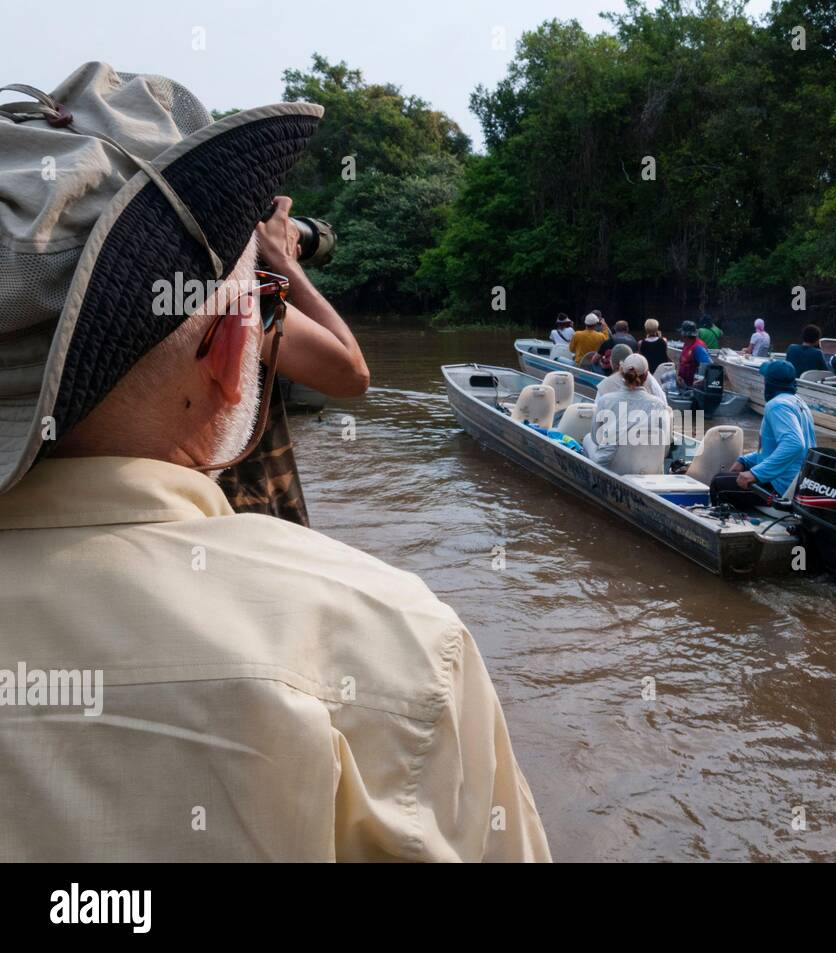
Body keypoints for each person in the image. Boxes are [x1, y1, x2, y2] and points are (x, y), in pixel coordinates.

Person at [0, 63, 548, 861]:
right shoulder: (402, 646)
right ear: (231, 346)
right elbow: (353, 372)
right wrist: (273, 264)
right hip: (240, 577)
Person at [217, 195, 370, 526]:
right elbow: (351, 375)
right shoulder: (234, 293)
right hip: (247, 516)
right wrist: (284, 262)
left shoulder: (155, 286)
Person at [709, 361, 816, 507]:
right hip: (797, 483)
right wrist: (745, 461)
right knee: (732, 475)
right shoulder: (798, 402)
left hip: (780, 487)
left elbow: (794, 444)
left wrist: (756, 474)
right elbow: (770, 449)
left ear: (770, 382)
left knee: (718, 482)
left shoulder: (777, 405)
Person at [583, 354, 672, 472]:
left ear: (621, 373)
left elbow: (596, 437)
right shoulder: (659, 405)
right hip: (647, 468)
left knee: (588, 438)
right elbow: (665, 446)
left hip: (612, 466)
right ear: (646, 376)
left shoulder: (605, 400)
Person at [598, 343, 668, 402]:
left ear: (612, 364)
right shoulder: (650, 379)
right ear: (645, 375)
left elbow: (597, 412)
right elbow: (663, 401)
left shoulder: (604, 385)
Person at [677, 321, 713, 388]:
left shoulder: (698, 347)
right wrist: (679, 377)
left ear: (685, 335)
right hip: (684, 384)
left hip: (692, 387)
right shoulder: (686, 344)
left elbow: (707, 364)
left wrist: (699, 381)